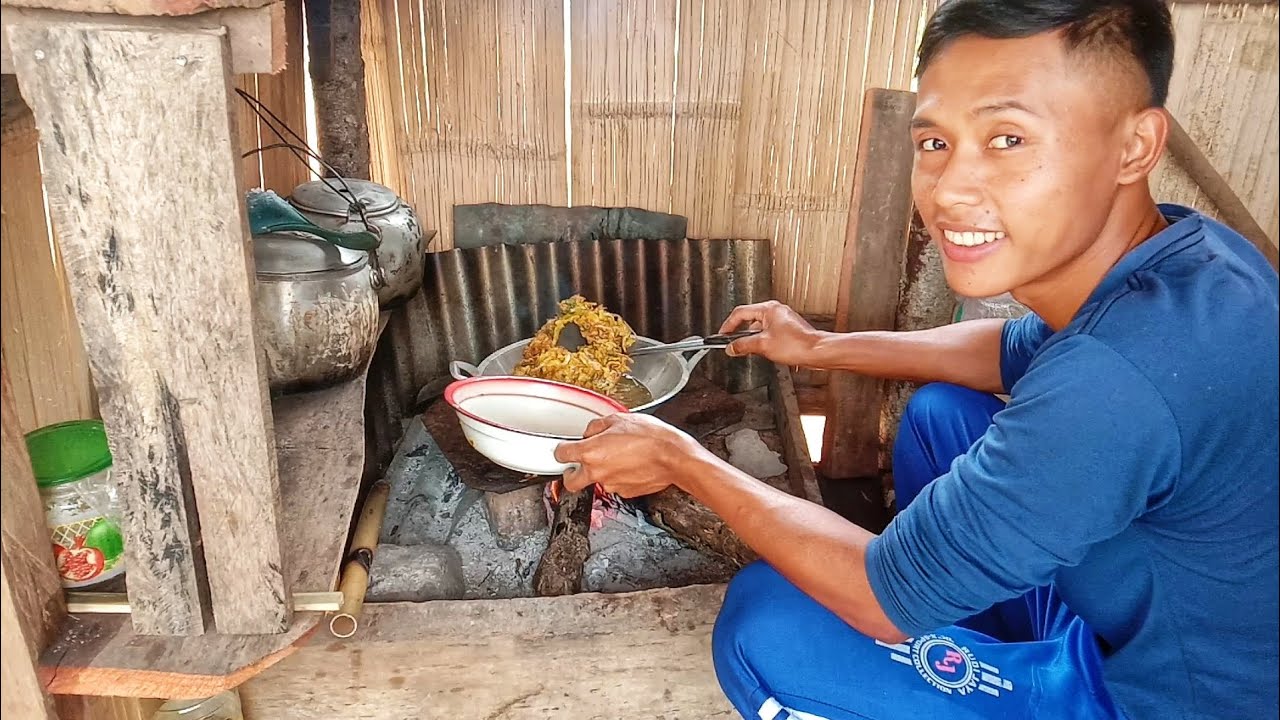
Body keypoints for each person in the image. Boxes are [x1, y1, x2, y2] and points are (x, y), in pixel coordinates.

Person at [554, 0, 1279, 717]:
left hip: (1160, 694)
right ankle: (968, 626)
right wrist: (817, 345)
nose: (950, 191)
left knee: (764, 624)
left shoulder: (1120, 379)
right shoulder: (1187, 260)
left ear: (1135, 146)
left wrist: (682, 461)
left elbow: (876, 599)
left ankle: (970, 652)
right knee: (939, 417)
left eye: (1007, 139)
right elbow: (1004, 350)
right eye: (935, 142)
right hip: (1137, 599)